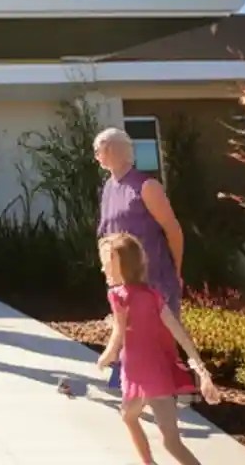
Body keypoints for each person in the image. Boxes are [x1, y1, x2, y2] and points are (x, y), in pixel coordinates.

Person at [96, 233, 220, 465]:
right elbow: (178, 332)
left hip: (142, 374)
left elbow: (118, 335)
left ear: (119, 264)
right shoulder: (153, 296)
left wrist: (107, 355)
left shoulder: (117, 296)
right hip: (154, 376)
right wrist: (200, 369)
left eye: (106, 264)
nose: (104, 270)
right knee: (139, 421)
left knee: (158, 434)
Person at [94, 127, 187, 391]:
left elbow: (173, 230)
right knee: (128, 338)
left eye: (98, 150)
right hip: (121, 282)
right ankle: (130, 390)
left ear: (111, 149)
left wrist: (176, 271)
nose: (96, 156)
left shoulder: (147, 186)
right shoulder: (108, 189)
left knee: (160, 340)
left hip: (154, 280)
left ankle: (170, 394)